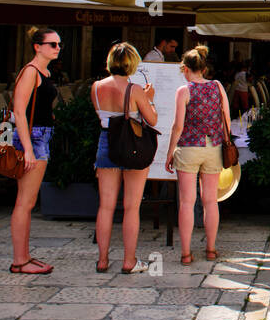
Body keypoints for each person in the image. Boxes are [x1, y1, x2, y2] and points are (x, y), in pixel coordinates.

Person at [90, 43, 158, 274]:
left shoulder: (96, 87)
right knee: (131, 207)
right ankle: (129, 261)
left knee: (105, 207)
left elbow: (103, 116)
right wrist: (150, 99)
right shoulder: (135, 89)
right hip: (131, 146)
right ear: (132, 63)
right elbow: (152, 119)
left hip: (106, 142)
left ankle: (102, 260)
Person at [165, 45, 230, 265]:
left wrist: (169, 152)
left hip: (189, 148)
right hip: (213, 148)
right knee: (211, 201)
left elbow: (177, 126)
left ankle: (186, 253)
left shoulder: (184, 91)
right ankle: (211, 249)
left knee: (186, 202)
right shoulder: (217, 86)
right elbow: (226, 120)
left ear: (185, 69)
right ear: (203, 68)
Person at [7, 26, 62, 274]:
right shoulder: (30, 72)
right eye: (52, 44)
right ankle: (20, 260)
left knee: (28, 201)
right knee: (25, 202)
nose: (57, 48)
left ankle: (25, 256)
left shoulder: (45, 72)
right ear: (37, 47)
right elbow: (18, 111)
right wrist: (28, 149)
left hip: (41, 135)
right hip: (33, 138)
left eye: (59, 44)